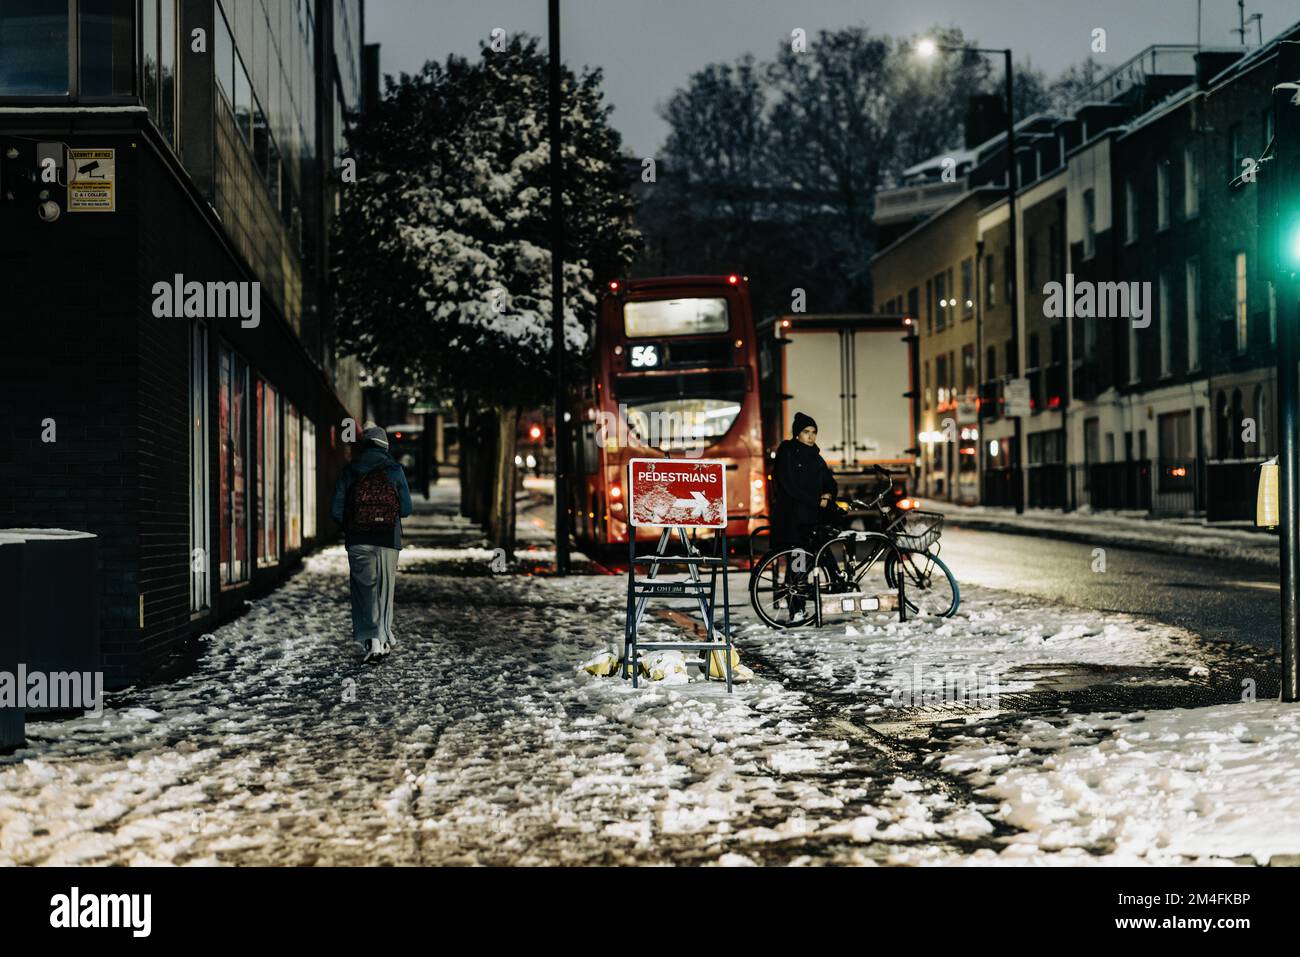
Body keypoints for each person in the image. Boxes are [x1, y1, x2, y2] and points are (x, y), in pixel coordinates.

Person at [331, 424, 414, 662]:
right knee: (384, 591)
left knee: (364, 589)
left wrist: (350, 524)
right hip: (388, 539)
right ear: (385, 445)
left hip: (358, 539)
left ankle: (373, 641)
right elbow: (406, 509)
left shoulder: (350, 469)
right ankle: (384, 638)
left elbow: (336, 510)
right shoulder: (394, 469)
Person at [771, 411, 839, 553]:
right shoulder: (787, 452)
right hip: (793, 521)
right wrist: (818, 501)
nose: (811, 436)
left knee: (822, 557)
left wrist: (828, 494)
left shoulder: (816, 457)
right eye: (806, 432)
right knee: (798, 565)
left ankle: (833, 575)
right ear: (797, 434)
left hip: (812, 520)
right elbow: (790, 486)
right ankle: (798, 576)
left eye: (814, 432)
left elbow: (830, 482)